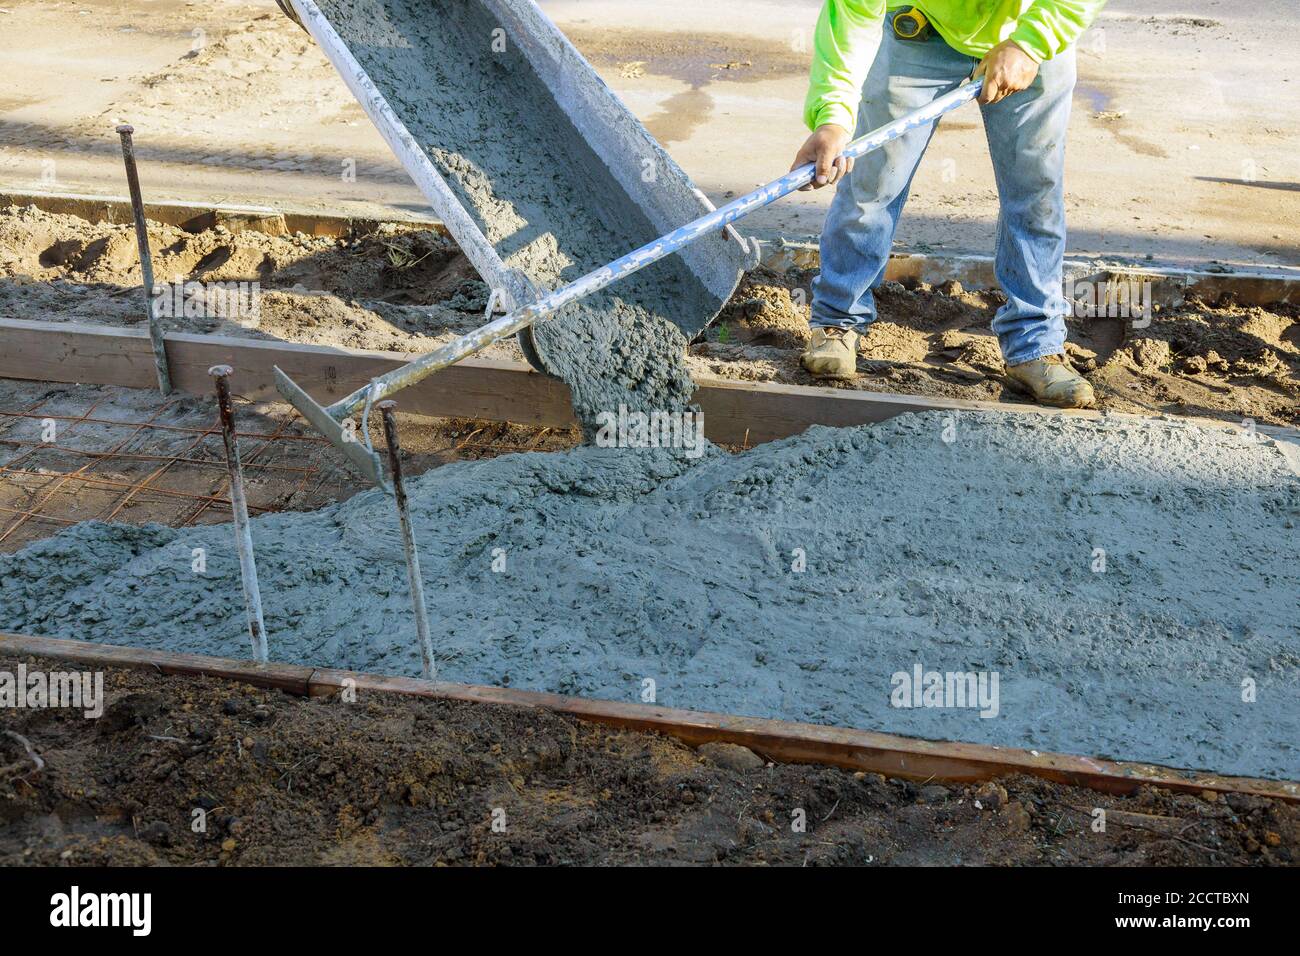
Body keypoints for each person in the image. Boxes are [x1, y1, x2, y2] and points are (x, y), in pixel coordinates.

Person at [793, 1, 1107, 408]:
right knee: (872, 185)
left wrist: (1032, 43)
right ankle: (838, 321)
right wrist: (832, 117)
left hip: (1032, 23)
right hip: (920, 32)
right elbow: (851, 16)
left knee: (1035, 194)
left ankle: (1036, 346)